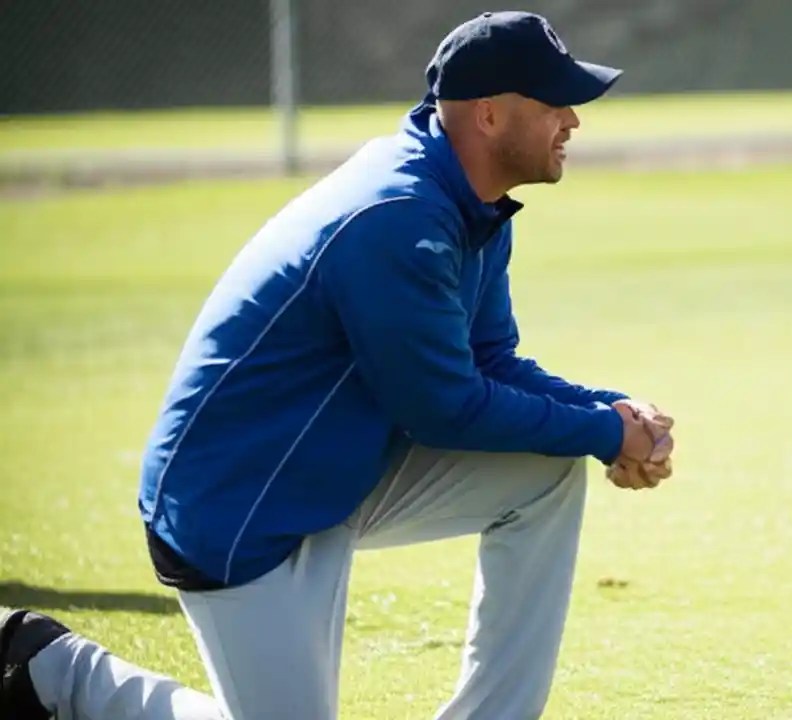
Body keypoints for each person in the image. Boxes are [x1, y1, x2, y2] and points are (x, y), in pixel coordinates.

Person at [0, 11, 674, 720]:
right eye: (552, 102)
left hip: (328, 474)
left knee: (543, 471)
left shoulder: (467, 201)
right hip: (238, 509)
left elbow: (488, 361)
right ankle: (57, 670)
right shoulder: (400, 215)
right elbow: (442, 408)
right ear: (488, 115)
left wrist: (614, 411)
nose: (572, 118)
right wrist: (605, 432)